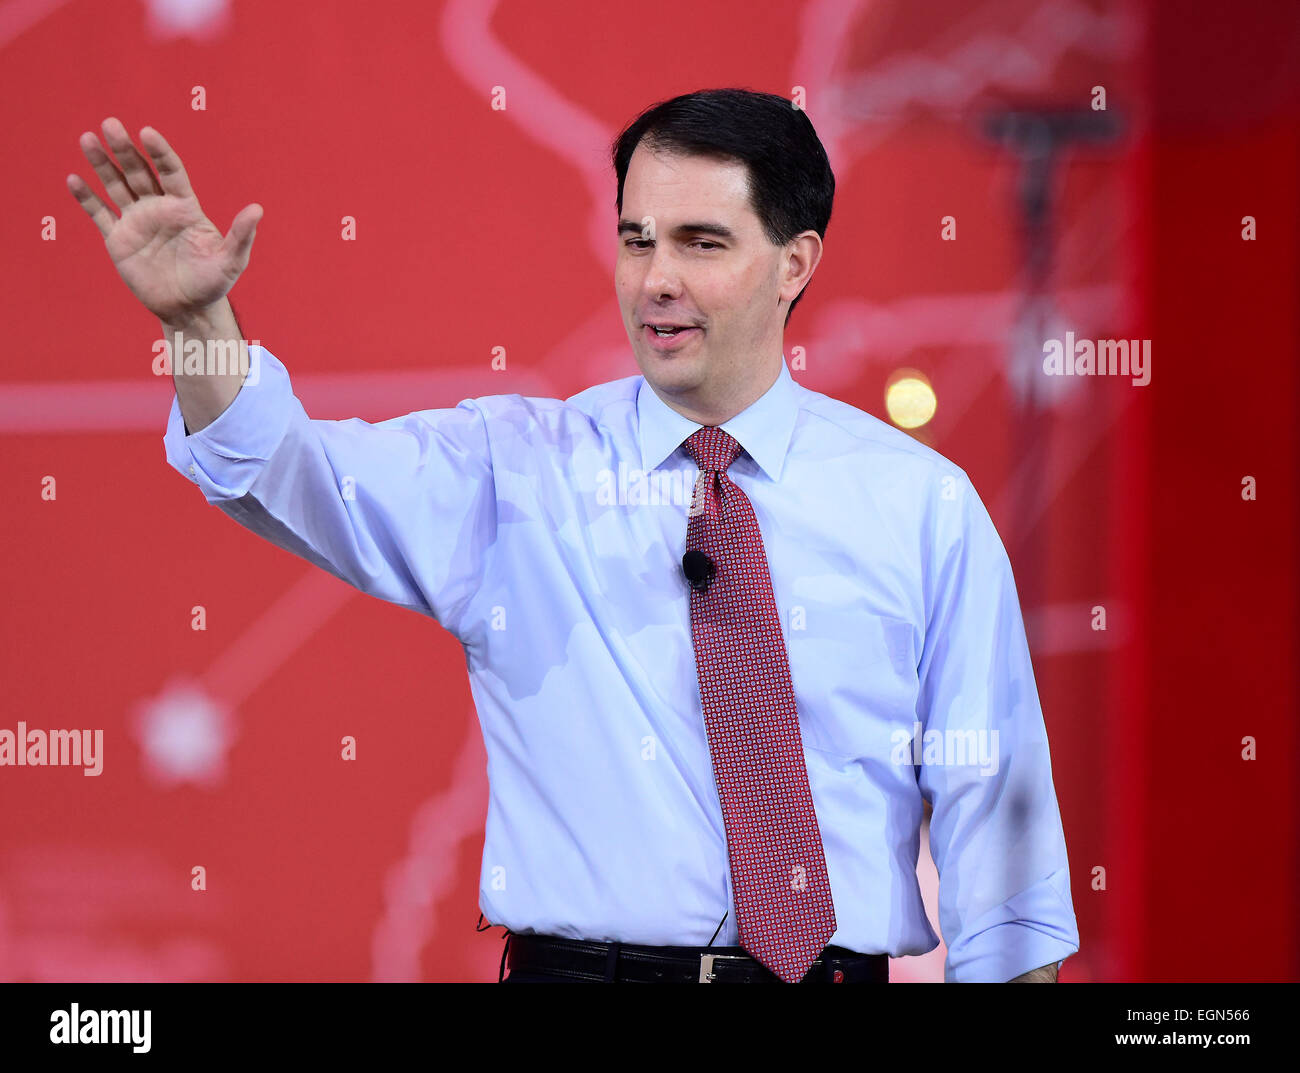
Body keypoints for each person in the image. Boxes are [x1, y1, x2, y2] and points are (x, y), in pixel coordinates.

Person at [67, 88, 1079, 984]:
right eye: (637, 240)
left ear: (794, 263)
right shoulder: (517, 468)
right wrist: (198, 322)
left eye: (701, 243)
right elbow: (280, 468)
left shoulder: (918, 504)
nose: (655, 280)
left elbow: (998, 821)